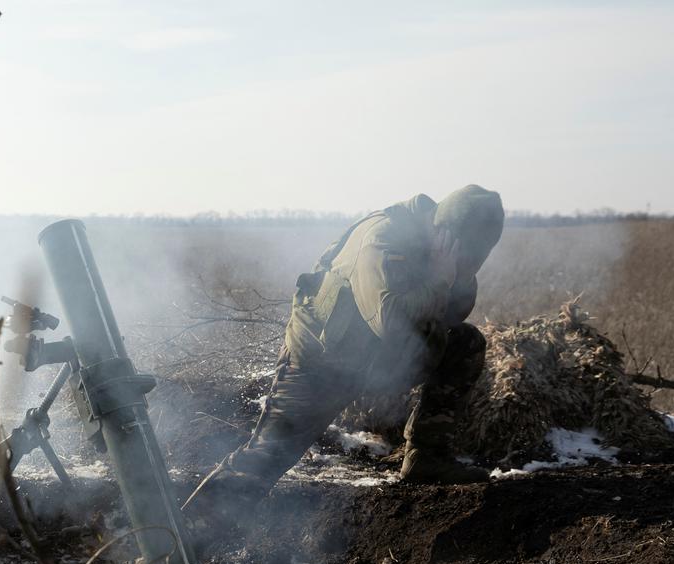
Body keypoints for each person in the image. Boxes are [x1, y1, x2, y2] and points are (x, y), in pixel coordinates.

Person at [183, 185, 504, 535]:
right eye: (466, 255)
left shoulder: (446, 251)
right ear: (445, 232)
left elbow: (451, 316)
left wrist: (451, 277)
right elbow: (391, 322)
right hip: (321, 364)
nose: (469, 265)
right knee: (269, 454)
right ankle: (174, 551)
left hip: (379, 364)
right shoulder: (384, 239)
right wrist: (440, 282)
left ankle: (427, 458)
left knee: (465, 344)